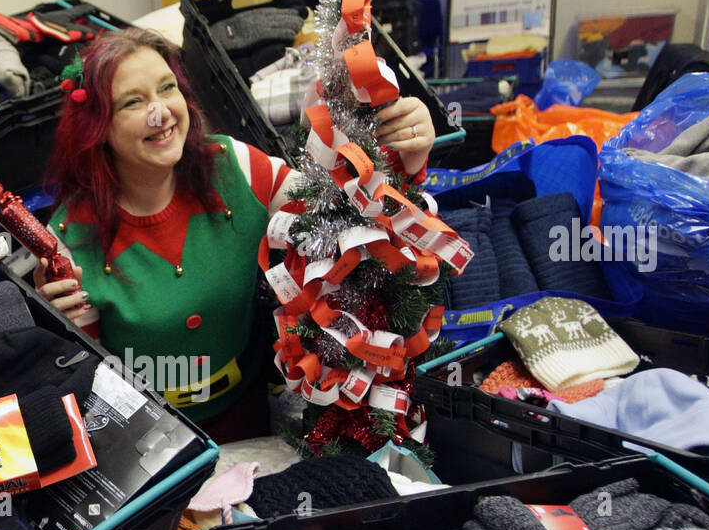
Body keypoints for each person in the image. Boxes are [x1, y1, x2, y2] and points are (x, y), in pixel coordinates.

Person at [35, 27, 433, 443]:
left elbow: (343, 215)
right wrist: (56, 329)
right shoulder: (69, 236)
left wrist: (405, 154)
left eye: (166, 88)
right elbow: (86, 384)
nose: (161, 112)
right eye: (133, 102)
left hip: (248, 421)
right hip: (142, 440)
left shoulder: (234, 167)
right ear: (97, 126)